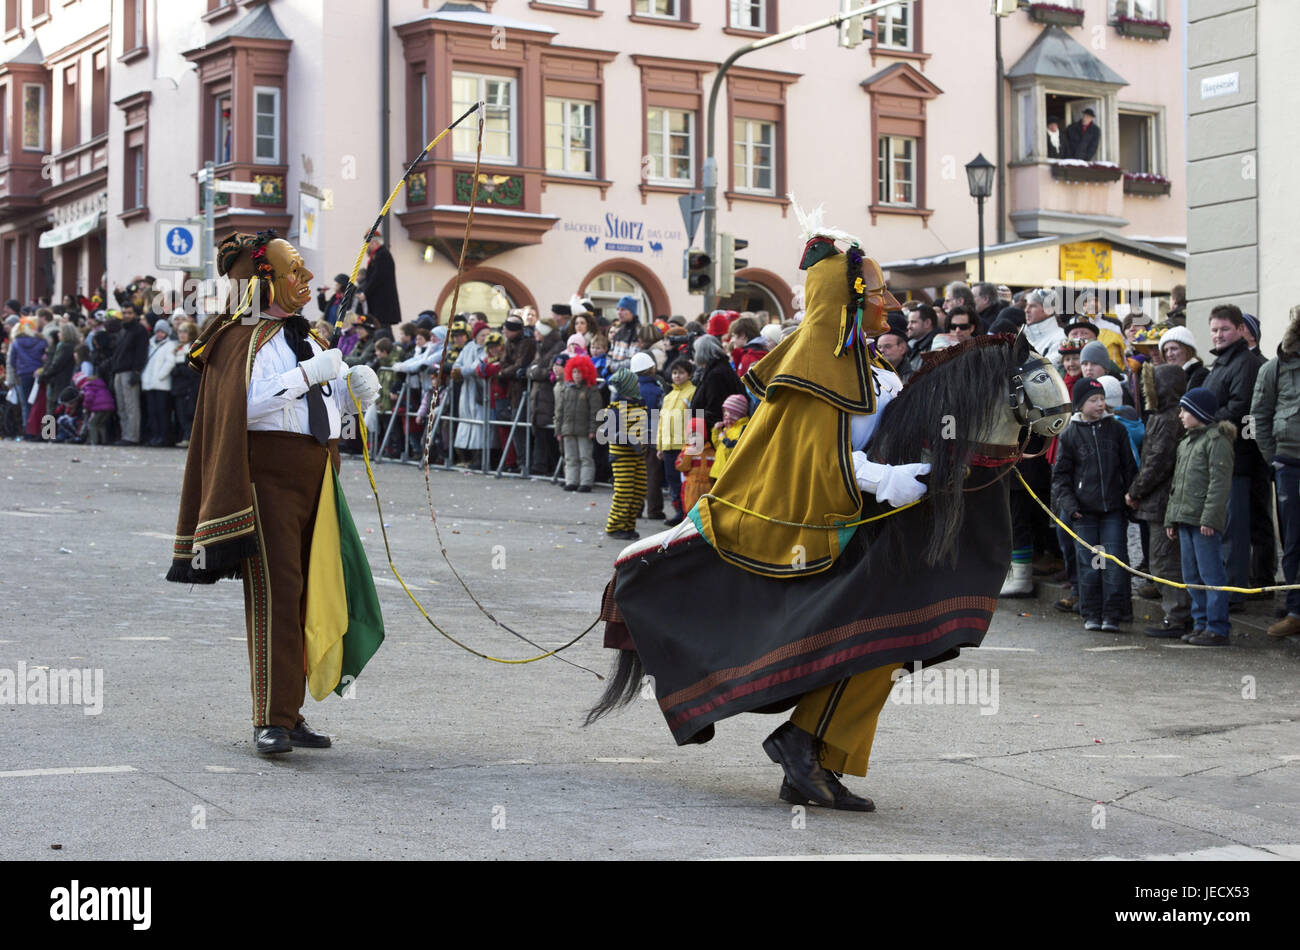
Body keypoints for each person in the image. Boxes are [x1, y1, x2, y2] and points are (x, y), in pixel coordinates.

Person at [166, 230, 383, 754]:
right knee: (277, 593)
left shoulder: (310, 336)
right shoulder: (237, 338)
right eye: (293, 271)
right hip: (267, 479)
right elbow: (244, 406)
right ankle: (271, 716)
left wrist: (357, 396)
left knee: (315, 590)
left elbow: (327, 410)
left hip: (319, 473)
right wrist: (311, 373)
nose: (305, 279)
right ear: (263, 280)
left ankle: (290, 710)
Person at [1052, 378, 1138, 631]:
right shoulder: (1069, 435)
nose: (1100, 404)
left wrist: (1130, 494)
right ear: (1080, 404)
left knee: (1113, 562)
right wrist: (1070, 506)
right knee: (1089, 564)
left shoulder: (1116, 430)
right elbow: (1061, 476)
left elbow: (1129, 467)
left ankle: (1113, 614)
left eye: (1102, 399)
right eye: (1093, 400)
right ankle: (1091, 612)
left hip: (1112, 509)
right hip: (1084, 513)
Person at [1202, 304, 1265, 608]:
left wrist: (1205, 421)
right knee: (1220, 526)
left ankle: (1234, 591)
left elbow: (1240, 409)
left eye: (1224, 329)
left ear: (1240, 330)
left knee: (1233, 529)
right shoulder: (1222, 363)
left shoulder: (1245, 363)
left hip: (1236, 458)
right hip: (1218, 456)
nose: (1218, 335)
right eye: (1214, 330)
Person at [1165, 387, 1235, 646]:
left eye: (1185, 410)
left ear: (1198, 412)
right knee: (1192, 576)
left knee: (1211, 575)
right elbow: (1177, 485)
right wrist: (1171, 519)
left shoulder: (1217, 441)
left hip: (1203, 523)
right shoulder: (1186, 443)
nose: (1181, 415)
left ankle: (1217, 627)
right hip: (1185, 519)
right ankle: (1201, 623)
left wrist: (1209, 518)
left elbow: (1219, 484)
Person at [1126, 363, 1192, 637]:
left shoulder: (1165, 420)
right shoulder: (1165, 417)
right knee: (1162, 559)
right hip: (1160, 501)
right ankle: (1177, 614)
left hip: (1162, 502)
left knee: (1165, 560)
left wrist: (1135, 491)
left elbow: (1156, 463)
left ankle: (1177, 616)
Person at [1251, 305, 1300, 640]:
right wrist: (1276, 459)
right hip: (1290, 465)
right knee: (1295, 541)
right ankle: (1296, 611)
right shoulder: (1275, 368)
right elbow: (1258, 417)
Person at [600, 368, 648, 541]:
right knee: (624, 491)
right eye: (634, 384)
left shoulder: (639, 404)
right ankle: (615, 526)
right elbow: (609, 433)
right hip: (622, 456)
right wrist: (630, 440)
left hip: (638, 455)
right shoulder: (614, 408)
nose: (638, 386)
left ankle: (628, 525)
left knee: (639, 491)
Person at [657, 357, 696, 526]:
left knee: (683, 482)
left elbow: (695, 418)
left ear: (689, 374)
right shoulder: (669, 396)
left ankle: (685, 512)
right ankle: (678, 510)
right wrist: (659, 445)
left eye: (681, 373)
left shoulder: (692, 392)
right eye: (674, 373)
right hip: (668, 445)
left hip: (683, 445)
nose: (677, 376)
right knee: (672, 481)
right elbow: (661, 422)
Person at [553, 349, 600, 492]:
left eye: (579, 372)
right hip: (568, 429)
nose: (576, 375)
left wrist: (593, 429)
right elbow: (559, 411)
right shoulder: (566, 390)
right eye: (574, 372)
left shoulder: (591, 390)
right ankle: (571, 480)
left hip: (584, 430)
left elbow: (595, 412)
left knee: (585, 457)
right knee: (570, 457)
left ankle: (586, 482)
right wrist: (558, 430)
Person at [527, 312, 566, 475]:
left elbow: (550, 372)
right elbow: (531, 368)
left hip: (549, 395)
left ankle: (549, 466)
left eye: (537, 331)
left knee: (550, 432)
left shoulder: (557, 347)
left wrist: (536, 372)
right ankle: (540, 465)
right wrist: (535, 371)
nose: (535, 333)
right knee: (540, 431)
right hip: (539, 396)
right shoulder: (540, 348)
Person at [108, 302, 149, 445]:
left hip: (130, 371)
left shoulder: (139, 330)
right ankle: (125, 434)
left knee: (131, 405)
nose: (126, 315)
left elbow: (141, 352)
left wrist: (137, 371)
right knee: (122, 406)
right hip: (119, 371)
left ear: (135, 314)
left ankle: (132, 436)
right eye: (124, 312)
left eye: (129, 313)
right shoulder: (123, 330)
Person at [630, 351, 665, 520]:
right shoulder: (658, 390)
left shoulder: (628, 389)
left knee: (635, 475)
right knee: (652, 475)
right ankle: (654, 510)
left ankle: (635, 509)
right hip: (652, 436)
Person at [141, 318, 177, 446]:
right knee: (152, 412)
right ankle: (154, 436)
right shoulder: (151, 344)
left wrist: (160, 376)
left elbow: (170, 362)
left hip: (162, 385)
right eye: (158, 331)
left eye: (162, 331)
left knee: (162, 412)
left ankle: (163, 436)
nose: (159, 334)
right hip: (149, 384)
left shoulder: (170, 345)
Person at [357, 236, 401, 327]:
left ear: (374, 242)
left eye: (367, 244)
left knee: (382, 328)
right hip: (378, 303)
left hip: (382, 304)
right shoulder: (378, 255)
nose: (366, 247)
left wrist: (365, 293)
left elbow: (377, 277)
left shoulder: (382, 255)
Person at [709, 393, 751, 482]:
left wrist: (723, 439)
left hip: (729, 473)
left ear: (736, 413)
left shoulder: (742, 429)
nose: (725, 415)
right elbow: (717, 445)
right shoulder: (727, 428)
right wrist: (716, 431)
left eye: (727, 412)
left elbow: (733, 449)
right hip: (719, 471)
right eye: (724, 412)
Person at [1023, 290, 1066, 369]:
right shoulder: (1024, 336)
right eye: (1026, 305)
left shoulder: (1060, 338)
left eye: (1032, 306)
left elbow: (1047, 369)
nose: (1026, 310)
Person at [606, 296, 642, 374]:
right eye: (618, 309)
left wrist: (612, 368)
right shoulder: (619, 331)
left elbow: (633, 361)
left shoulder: (637, 332)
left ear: (632, 312)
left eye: (623, 309)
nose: (619, 312)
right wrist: (608, 367)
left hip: (628, 378)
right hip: (615, 377)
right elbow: (610, 354)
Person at [904, 305, 939, 373]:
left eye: (913, 322)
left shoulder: (935, 347)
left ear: (927, 323)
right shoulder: (915, 346)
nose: (908, 326)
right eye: (908, 322)